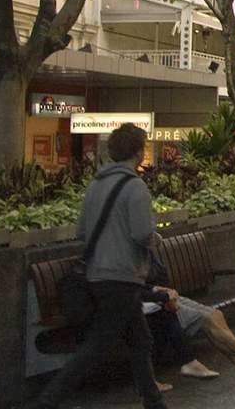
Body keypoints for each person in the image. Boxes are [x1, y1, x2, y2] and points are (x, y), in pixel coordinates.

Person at [32, 123, 170, 409]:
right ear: (138, 152)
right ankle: (48, 399)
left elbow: (82, 231)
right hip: (123, 275)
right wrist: (155, 238)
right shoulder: (135, 186)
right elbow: (143, 234)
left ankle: (153, 400)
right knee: (98, 344)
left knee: (139, 338)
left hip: (97, 273)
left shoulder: (96, 185)